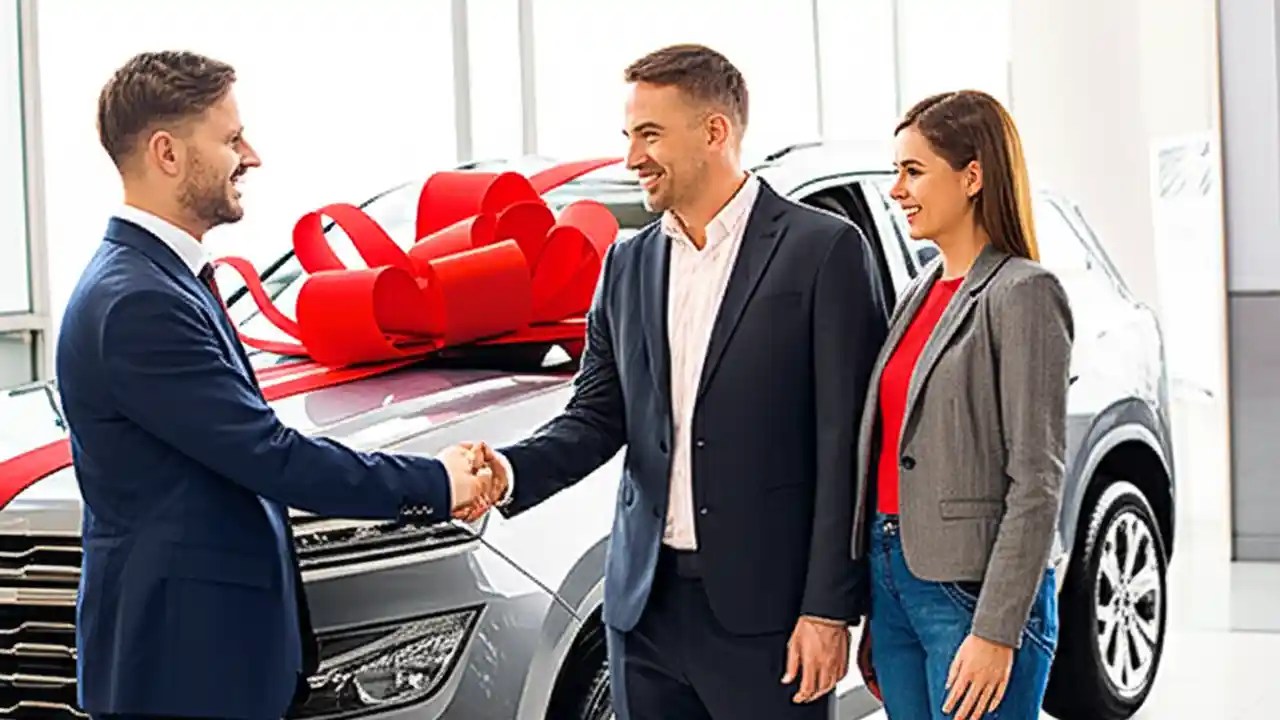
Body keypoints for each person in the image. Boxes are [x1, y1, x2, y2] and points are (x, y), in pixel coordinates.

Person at [56, 51, 503, 720]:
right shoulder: (138, 302)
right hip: (183, 670)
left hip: (202, 658)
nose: (252, 156)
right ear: (167, 153)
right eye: (232, 138)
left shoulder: (155, 281)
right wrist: (438, 483)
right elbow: (270, 457)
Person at [459, 44, 890, 719]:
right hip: (643, 613)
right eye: (629, 136)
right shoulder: (627, 265)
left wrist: (828, 608)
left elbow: (848, 446)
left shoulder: (824, 250)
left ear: (714, 133)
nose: (633, 157)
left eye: (650, 134)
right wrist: (508, 472)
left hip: (769, 618)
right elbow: (596, 416)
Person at [852, 89, 1073, 720]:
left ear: (972, 176)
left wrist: (998, 629)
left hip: (971, 594)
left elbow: (1038, 478)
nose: (897, 190)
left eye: (912, 171)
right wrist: (879, 595)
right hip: (894, 574)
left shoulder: (1024, 292)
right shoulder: (920, 290)